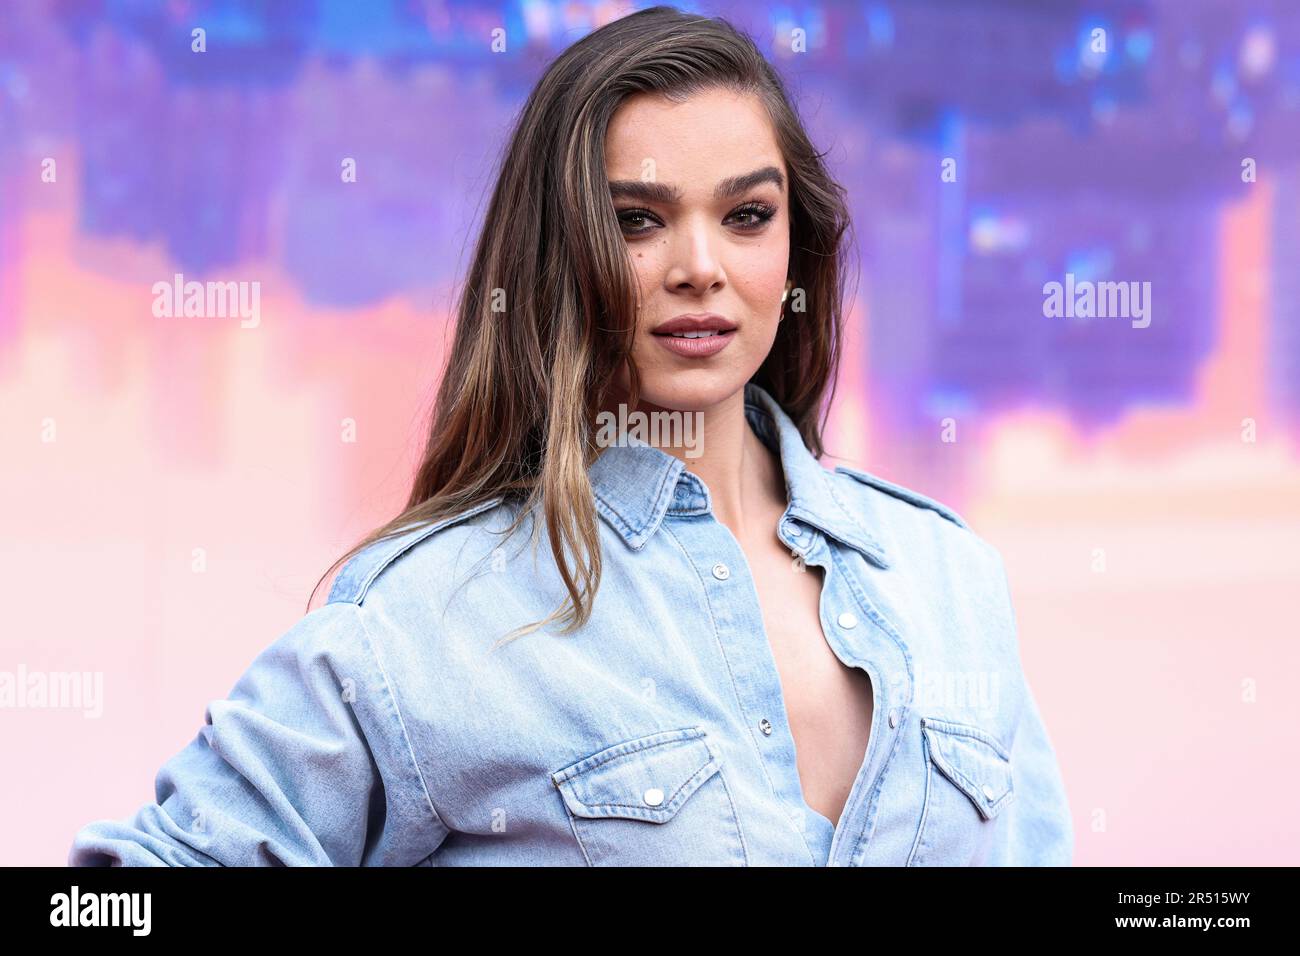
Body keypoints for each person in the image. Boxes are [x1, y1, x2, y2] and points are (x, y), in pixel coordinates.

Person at [68, 4, 1072, 867]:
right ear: (561, 254)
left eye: (746, 215)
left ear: (793, 243)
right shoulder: (441, 615)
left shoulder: (948, 577)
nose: (698, 267)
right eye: (637, 220)